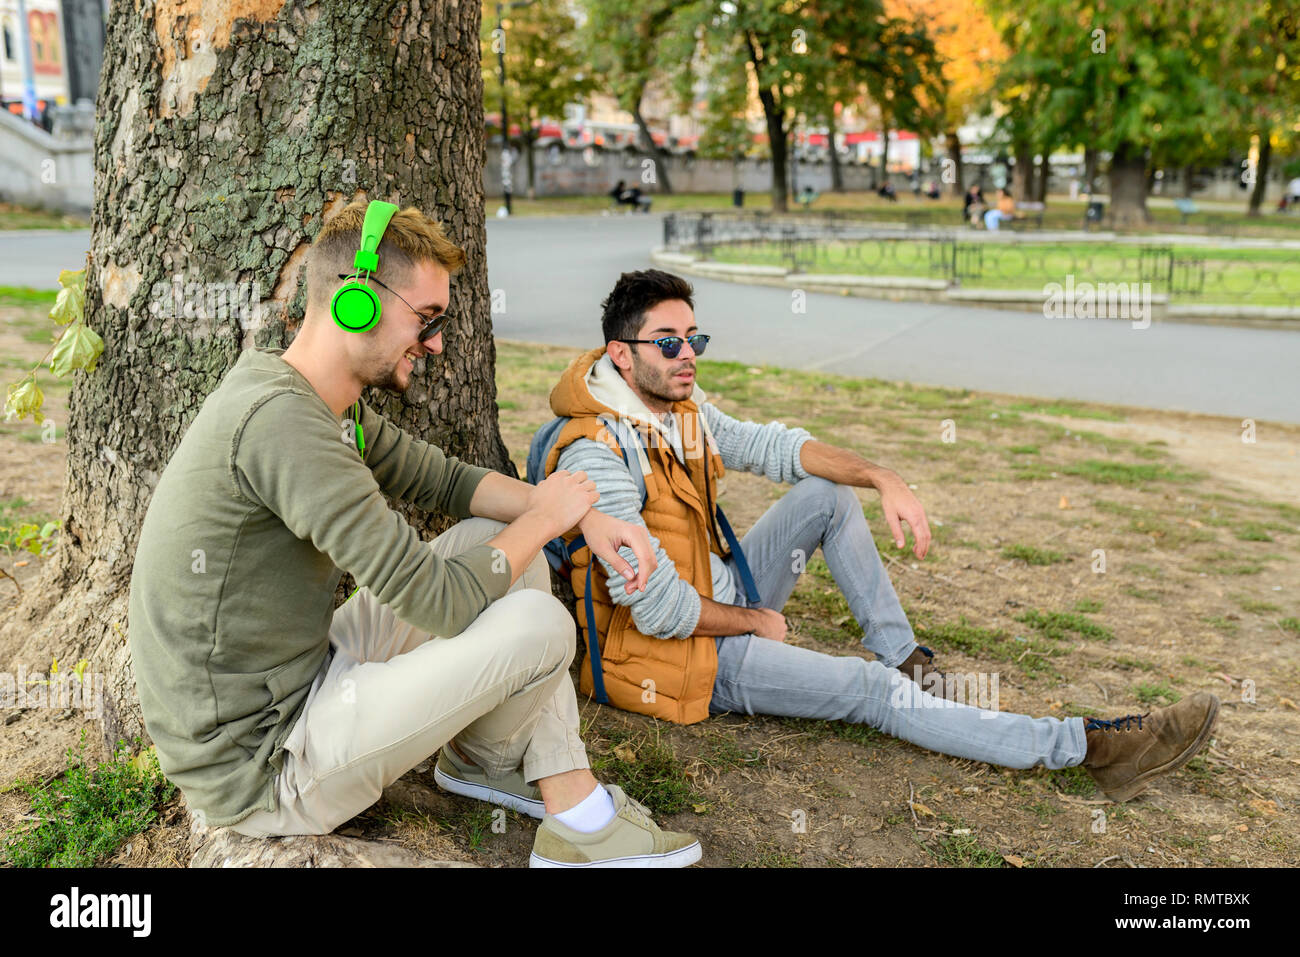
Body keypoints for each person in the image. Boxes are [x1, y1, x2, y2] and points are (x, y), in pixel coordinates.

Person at [127, 201, 701, 868]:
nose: (433, 344)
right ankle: (579, 818)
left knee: (497, 534)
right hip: (266, 767)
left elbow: (447, 481)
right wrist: (549, 516)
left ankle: (486, 764)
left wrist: (587, 517)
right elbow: (440, 602)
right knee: (542, 622)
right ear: (356, 303)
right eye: (426, 320)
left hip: (306, 674)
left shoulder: (308, 399)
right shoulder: (284, 428)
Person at [534, 269, 1219, 804]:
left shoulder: (679, 406)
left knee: (827, 494)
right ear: (622, 356)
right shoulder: (598, 454)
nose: (689, 356)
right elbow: (658, 609)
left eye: (696, 339)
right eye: (670, 343)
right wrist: (752, 621)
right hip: (675, 655)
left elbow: (774, 447)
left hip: (719, 594)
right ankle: (1093, 748)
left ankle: (908, 663)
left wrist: (882, 476)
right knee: (868, 695)